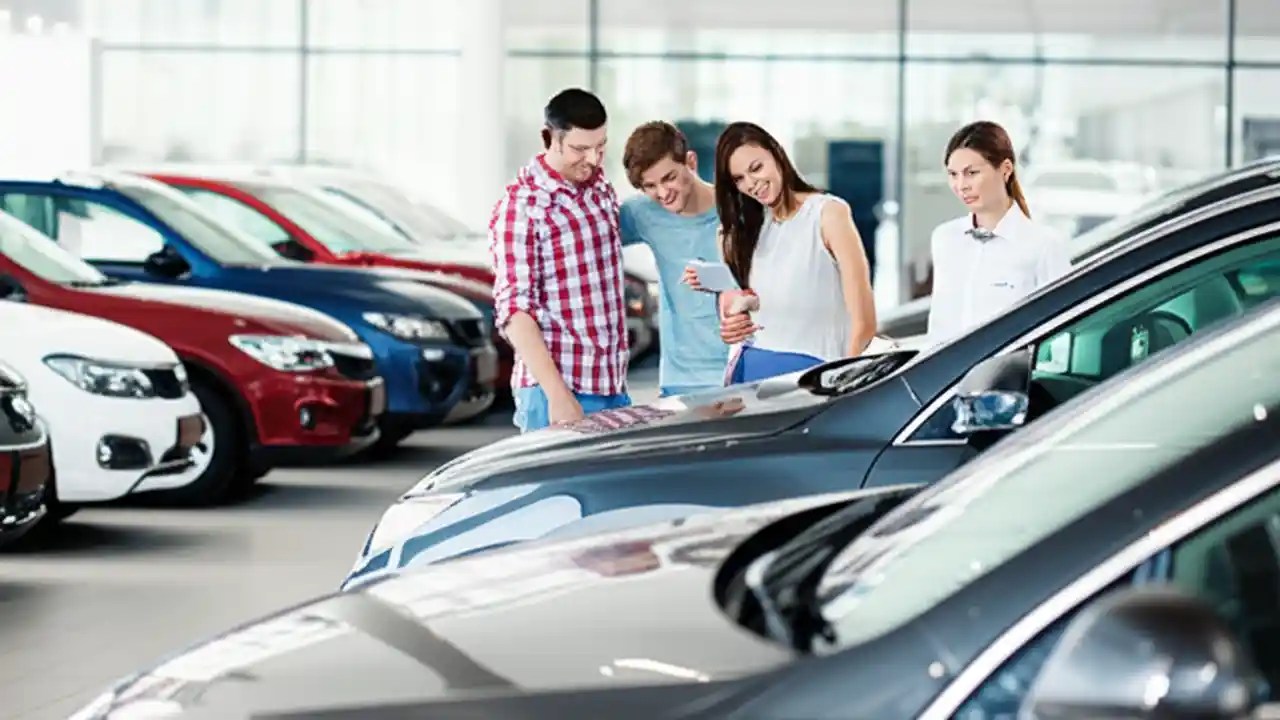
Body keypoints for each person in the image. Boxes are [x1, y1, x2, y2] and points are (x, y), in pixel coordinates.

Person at [686, 121, 877, 384]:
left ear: (776, 153)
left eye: (756, 168)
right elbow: (754, 303)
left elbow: (864, 323)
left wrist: (845, 386)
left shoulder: (828, 214)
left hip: (816, 375)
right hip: (751, 371)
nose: (752, 184)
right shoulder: (745, 233)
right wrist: (734, 321)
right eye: (739, 179)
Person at [489, 87, 631, 433]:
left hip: (611, 387)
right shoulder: (523, 207)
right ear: (548, 138)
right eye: (580, 149)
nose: (594, 159)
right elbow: (514, 311)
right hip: (557, 393)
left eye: (600, 147)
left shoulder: (599, 188)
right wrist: (558, 394)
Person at [925, 120, 1072, 345]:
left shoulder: (1043, 245)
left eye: (971, 173)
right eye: (953, 174)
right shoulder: (944, 239)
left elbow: (1062, 334)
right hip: (945, 377)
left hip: (1008, 377)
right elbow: (939, 328)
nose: (961, 185)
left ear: (1005, 169)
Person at [619, 121, 728, 397]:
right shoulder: (641, 213)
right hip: (682, 379)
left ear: (690, 162)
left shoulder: (739, 209)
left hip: (745, 369)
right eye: (650, 185)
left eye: (669, 178)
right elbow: (584, 239)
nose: (663, 193)